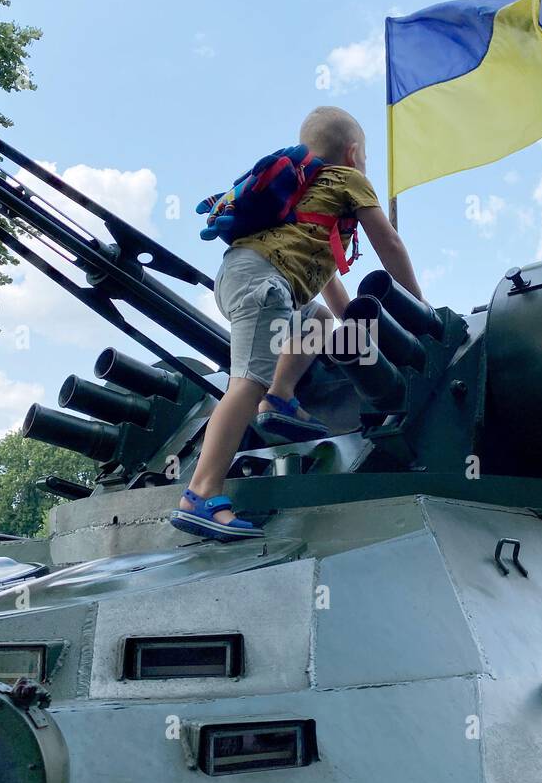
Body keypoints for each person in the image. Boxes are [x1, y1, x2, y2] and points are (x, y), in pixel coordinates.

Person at [171, 105, 425, 541]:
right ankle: (201, 492)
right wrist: (414, 307)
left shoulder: (306, 196)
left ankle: (281, 399)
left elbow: (323, 279)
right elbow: (390, 243)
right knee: (246, 382)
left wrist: (359, 327)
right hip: (263, 284)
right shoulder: (349, 180)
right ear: (355, 152)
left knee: (320, 322)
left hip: (252, 276)